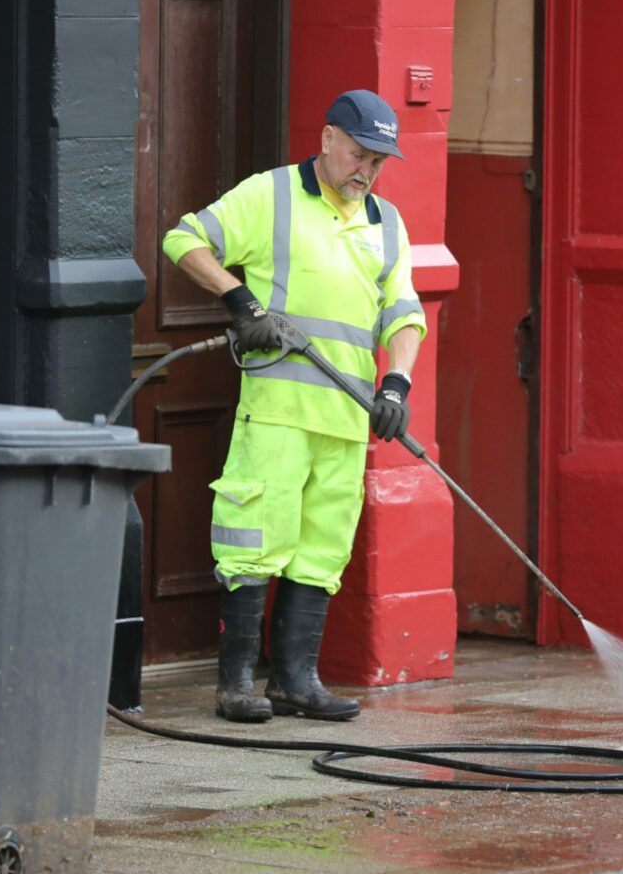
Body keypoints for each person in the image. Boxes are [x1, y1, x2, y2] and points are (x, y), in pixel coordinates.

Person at [163, 90, 427, 720]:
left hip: (344, 416)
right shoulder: (272, 195)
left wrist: (397, 385)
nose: (367, 170)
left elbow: (405, 313)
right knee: (252, 538)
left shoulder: (385, 223)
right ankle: (235, 686)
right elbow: (185, 239)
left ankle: (295, 683)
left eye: (379, 161)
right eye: (358, 154)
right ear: (328, 138)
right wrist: (241, 302)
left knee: (321, 549)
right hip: (277, 409)